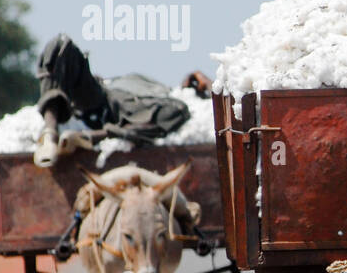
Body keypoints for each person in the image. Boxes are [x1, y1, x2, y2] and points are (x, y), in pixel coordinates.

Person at [32, 33, 214, 257]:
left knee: (176, 111)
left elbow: (206, 98)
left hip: (138, 112)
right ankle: (49, 132)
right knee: (61, 44)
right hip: (104, 100)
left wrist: (196, 85)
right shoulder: (110, 85)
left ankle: (94, 136)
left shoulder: (175, 98)